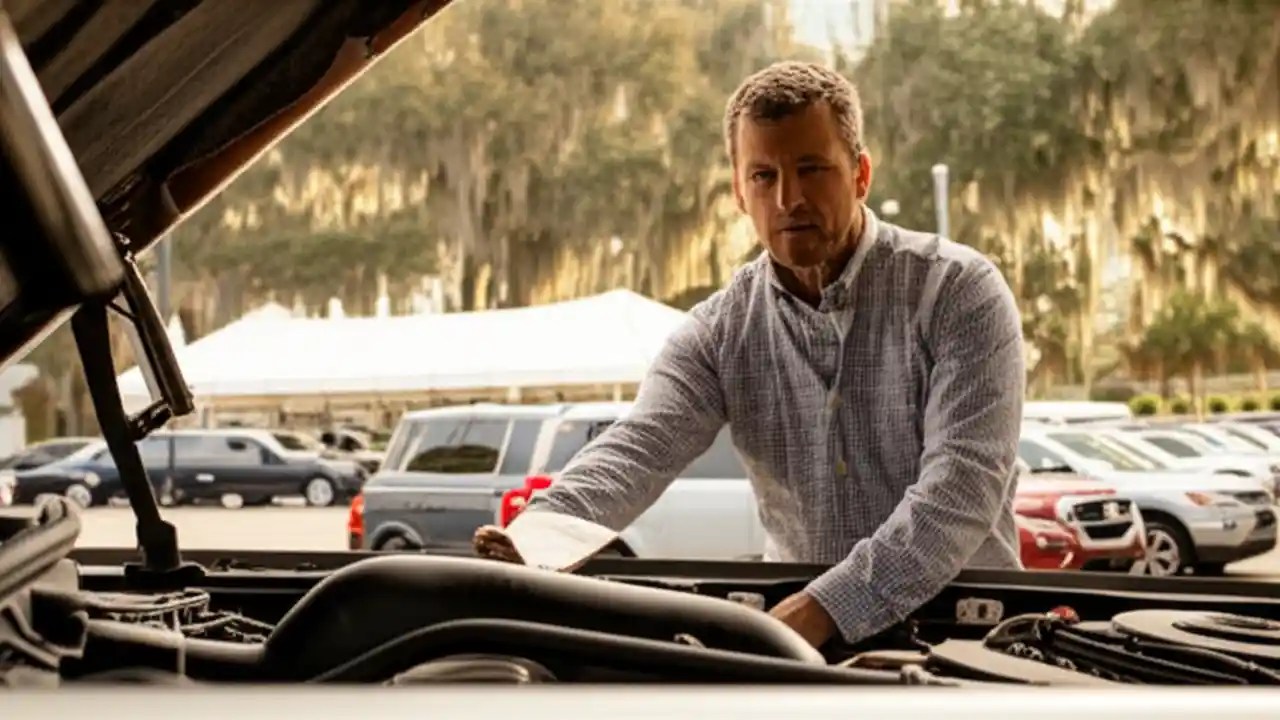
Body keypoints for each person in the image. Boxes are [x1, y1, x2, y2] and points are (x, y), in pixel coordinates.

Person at [474, 60, 1025, 649]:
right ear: (739, 192)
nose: (789, 198)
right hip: (793, 640)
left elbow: (961, 487)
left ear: (861, 174)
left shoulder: (959, 291)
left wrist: (826, 609)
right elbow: (639, 446)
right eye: (764, 176)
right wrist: (536, 538)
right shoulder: (719, 330)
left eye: (812, 169)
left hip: (966, 635)